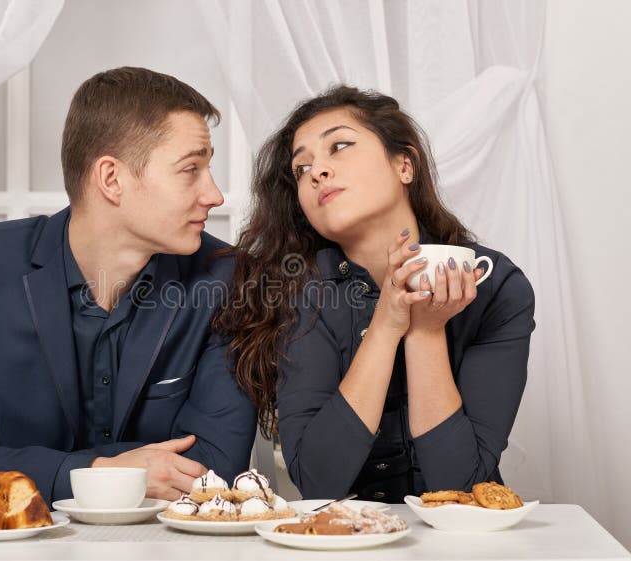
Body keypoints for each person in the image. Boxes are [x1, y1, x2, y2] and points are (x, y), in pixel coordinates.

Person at [0, 67, 256, 505]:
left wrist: (25, 466)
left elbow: (215, 468)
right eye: (191, 169)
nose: (215, 194)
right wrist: (101, 473)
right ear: (111, 179)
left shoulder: (229, 279)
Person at [214, 86, 535, 502]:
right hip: (348, 542)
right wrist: (385, 326)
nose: (316, 172)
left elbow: (457, 487)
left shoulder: (497, 286)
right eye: (301, 168)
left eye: (340, 146)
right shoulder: (300, 294)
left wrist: (426, 331)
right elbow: (317, 481)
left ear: (404, 165)